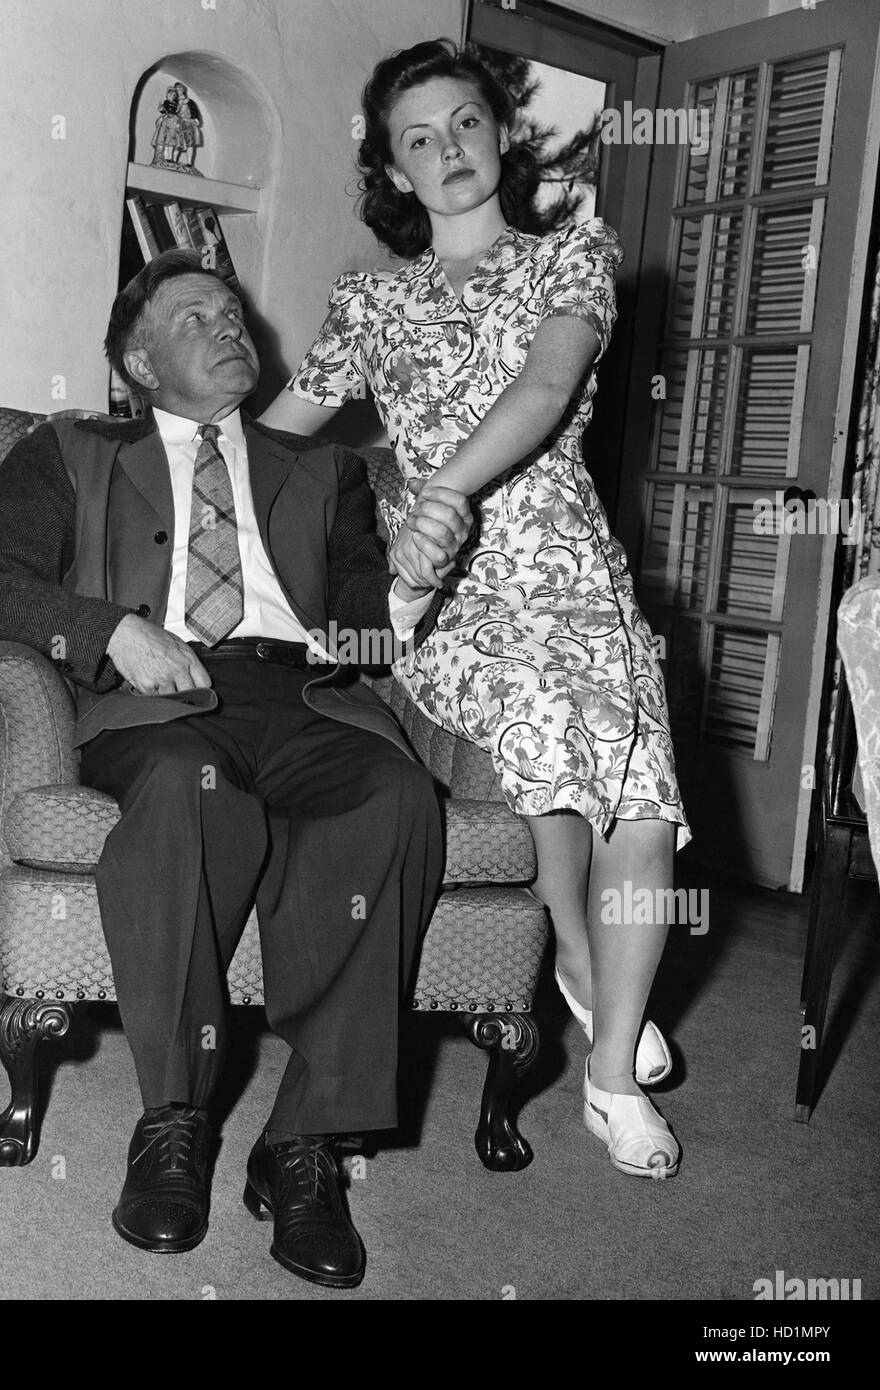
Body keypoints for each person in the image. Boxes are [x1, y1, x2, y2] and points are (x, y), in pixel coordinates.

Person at [0, 247, 473, 1288]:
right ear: (138, 363)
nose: (232, 328)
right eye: (196, 316)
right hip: (157, 699)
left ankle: (302, 1147)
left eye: (235, 313)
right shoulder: (67, 451)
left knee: (396, 792)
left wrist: (408, 586)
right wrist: (109, 630)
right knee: (189, 782)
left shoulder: (324, 469)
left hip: (306, 697)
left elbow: (368, 632)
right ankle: (172, 1119)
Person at [261, 39, 690, 1181]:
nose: (445, 150)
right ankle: (592, 978)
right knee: (554, 735)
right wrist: (145, 443)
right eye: (416, 139)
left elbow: (545, 389)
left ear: (497, 134)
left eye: (463, 123)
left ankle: (605, 1080)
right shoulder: (368, 298)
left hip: (569, 563)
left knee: (640, 790)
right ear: (394, 175)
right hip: (451, 591)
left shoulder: (573, 256)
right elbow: (269, 441)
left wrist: (440, 481)